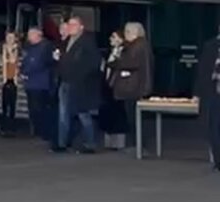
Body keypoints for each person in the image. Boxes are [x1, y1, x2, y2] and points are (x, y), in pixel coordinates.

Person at [56, 16, 102, 153]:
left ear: (81, 27)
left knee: (83, 114)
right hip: (65, 82)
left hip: (80, 84)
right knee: (63, 114)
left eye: (74, 25)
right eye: (69, 25)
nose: (70, 27)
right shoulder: (66, 42)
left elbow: (94, 63)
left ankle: (90, 143)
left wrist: (81, 75)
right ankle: (62, 143)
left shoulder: (87, 42)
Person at [108, 21, 153, 155]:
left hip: (134, 87)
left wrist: (116, 62)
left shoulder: (139, 46)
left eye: (127, 31)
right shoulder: (137, 45)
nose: (125, 34)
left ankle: (139, 145)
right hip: (132, 87)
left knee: (135, 118)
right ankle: (136, 144)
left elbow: (129, 63)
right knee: (132, 117)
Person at [21, 26, 57, 143]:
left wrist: (26, 71)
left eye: (31, 34)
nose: (28, 36)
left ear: (38, 34)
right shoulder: (28, 47)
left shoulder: (46, 47)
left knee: (40, 108)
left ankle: (46, 132)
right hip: (30, 83)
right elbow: (25, 61)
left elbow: (41, 63)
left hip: (41, 83)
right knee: (33, 109)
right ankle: (41, 131)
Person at [0, 29, 22, 136]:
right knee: (2, 105)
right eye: (8, 37)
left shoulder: (21, 51)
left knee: (14, 105)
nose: (10, 40)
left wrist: (18, 66)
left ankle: (13, 128)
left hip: (16, 81)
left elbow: (25, 65)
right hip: (2, 81)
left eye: (12, 37)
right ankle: (3, 127)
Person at [99, 30, 127, 147]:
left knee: (118, 111)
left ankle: (119, 140)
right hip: (107, 84)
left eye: (113, 37)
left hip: (117, 84)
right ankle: (109, 138)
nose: (111, 39)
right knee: (108, 111)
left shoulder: (124, 52)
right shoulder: (108, 52)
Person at [197, 30, 220, 171]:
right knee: (214, 129)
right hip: (214, 94)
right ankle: (218, 160)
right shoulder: (210, 46)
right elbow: (203, 71)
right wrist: (198, 92)